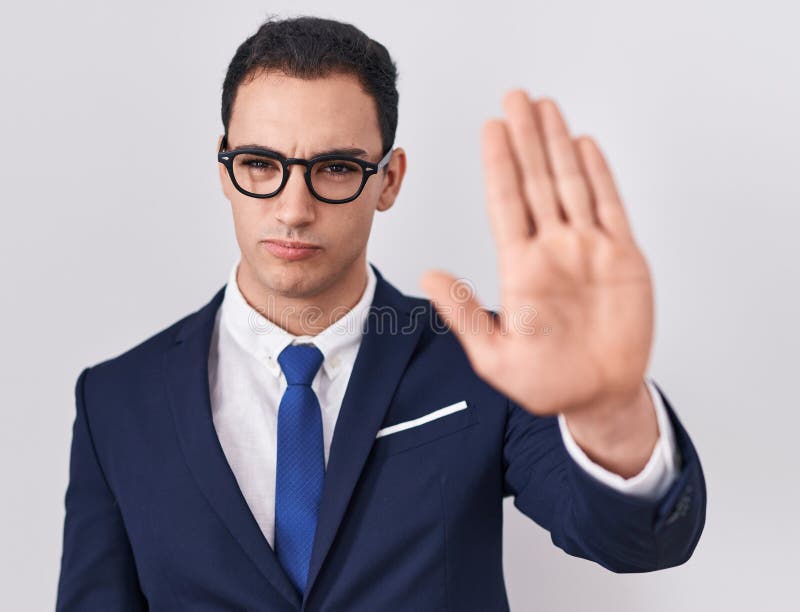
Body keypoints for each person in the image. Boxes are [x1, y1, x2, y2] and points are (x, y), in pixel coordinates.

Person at [55, 15, 706, 612]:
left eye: (334, 169)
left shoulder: (487, 359)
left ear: (389, 180)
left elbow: (634, 542)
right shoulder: (116, 401)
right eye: (260, 164)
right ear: (225, 168)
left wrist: (610, 409)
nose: (293, 208)